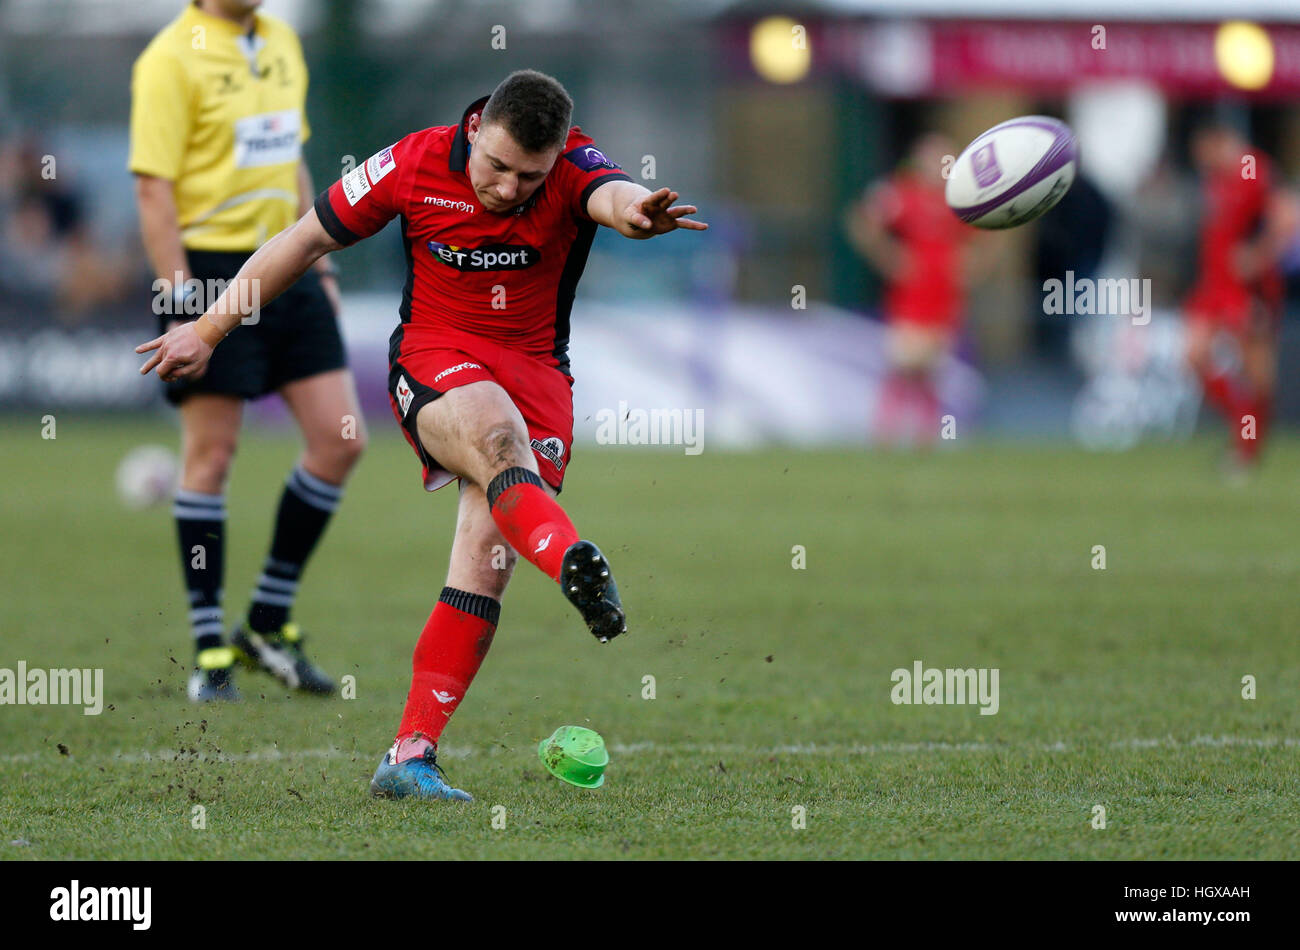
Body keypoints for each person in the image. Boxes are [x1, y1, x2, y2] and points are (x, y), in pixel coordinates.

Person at [136, 69, 707, 800]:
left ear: (556, 157)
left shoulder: (572, 170)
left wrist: (637, 214)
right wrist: (212, 328)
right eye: (496, 166)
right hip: (438, 356)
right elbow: (303, 239)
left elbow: (614, 196)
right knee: (496, 437)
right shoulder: (413, 163)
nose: (506, 188)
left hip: (538, 376)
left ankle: (408, 758)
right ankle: (573, 561)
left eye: (528, 176)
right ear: (475, 130)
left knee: (483, 561)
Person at [129, 0, 363, 701]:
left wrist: (318, 260)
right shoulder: (170, 57)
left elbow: (290, 156)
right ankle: (209, 652)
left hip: (286, 265)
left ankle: (265, 622)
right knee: (212, 457)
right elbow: (152, 188)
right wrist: (181, 298)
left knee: (339, 440)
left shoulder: (284, 41)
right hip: (206, 270)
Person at [846, 132, 991, 446]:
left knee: (931, 376)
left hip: (945, 300)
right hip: (910, 301)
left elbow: (989, 236)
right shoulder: (902, 194)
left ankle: (925, 440)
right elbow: (861, 222)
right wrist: (890, 257)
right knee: (903, 369)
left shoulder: (959, 200)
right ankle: (885, 436)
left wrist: (972, 264)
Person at [1183, 120, 1298, 478]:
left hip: (1250, 291)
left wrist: (1258, 257)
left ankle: (1247, 449)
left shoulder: (1251, 169)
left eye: (1202, 149)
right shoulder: (1214, 178)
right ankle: (1242, 426)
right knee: (1195, 355)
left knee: (1258, 379)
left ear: (1219, 142)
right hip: (1213, 287)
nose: (1199, 158)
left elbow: (1287, 217)